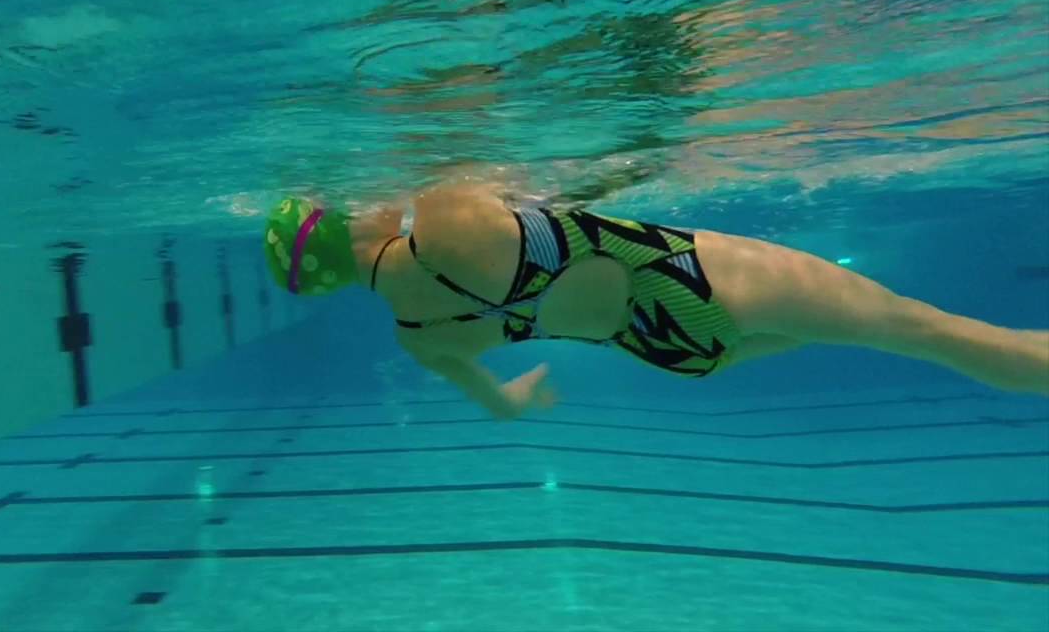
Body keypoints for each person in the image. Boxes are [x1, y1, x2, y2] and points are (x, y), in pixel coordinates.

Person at [264, 184, 1049, 419]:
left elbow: (501, 405)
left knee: (846, 331)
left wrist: (527, 390)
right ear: (340, 224)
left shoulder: (417, 336)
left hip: (676, 352)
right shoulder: (441, 216)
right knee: (939, 333)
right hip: (697, 280)